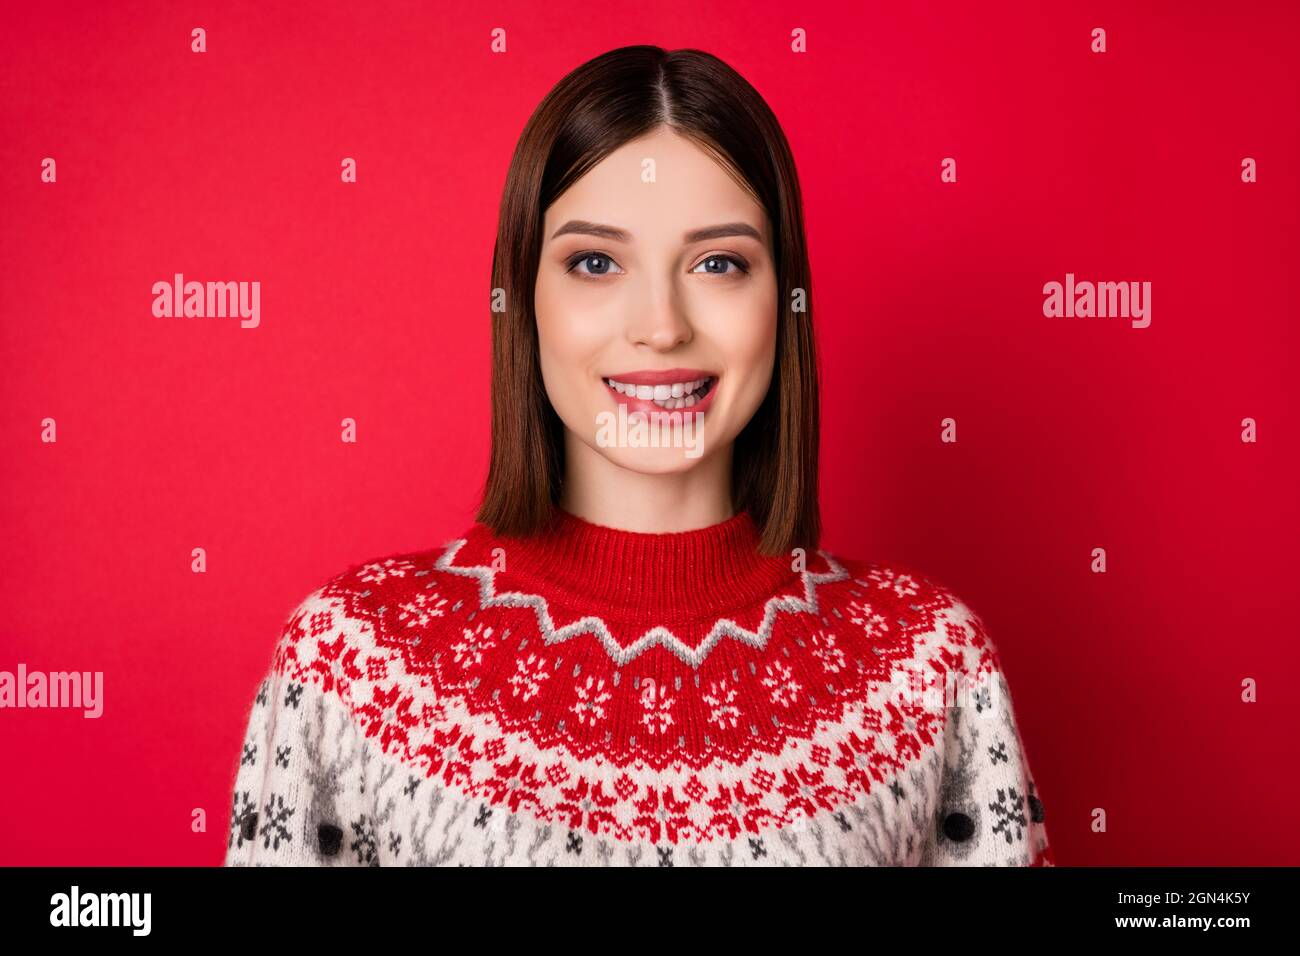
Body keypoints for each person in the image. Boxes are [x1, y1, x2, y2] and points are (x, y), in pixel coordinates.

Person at [223, 44, 1053, 867]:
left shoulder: (926, 665)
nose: (661, 324)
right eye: (595, 262)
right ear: (523, 301)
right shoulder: (353, 665)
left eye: (719, 263)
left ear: (784, 302)